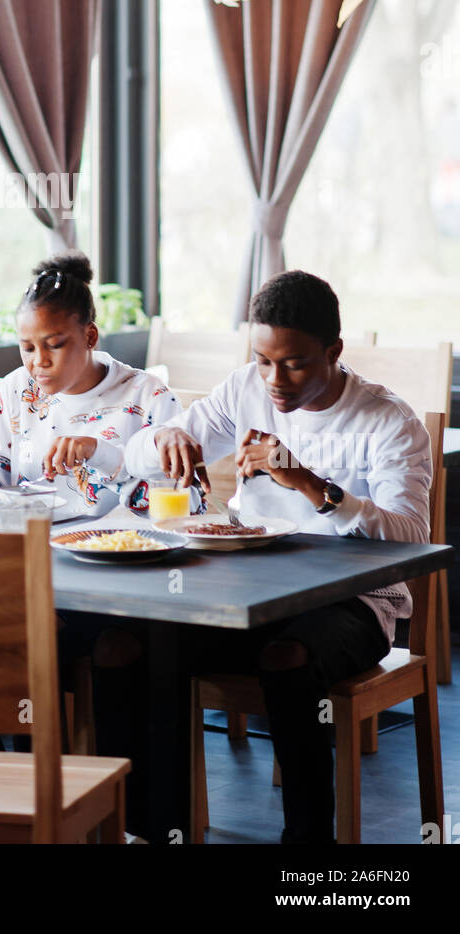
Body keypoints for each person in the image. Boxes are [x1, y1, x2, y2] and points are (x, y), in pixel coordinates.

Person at [124, 268, 432, 844]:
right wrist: (163, 438)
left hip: (356, 602)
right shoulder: (245, 387)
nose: (274, 379)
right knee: (137, 642)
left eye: (293, 363)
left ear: (334, 351)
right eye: (264, 359)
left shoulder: (389, 421)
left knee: (287, 658)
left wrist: (312, 485)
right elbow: (139, 453)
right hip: (248, 590)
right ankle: (150, 828)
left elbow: (411, 539)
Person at [0, 252, 181, 517]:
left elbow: (185, 506)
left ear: (90, 336)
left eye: (55, 345)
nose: (39, 361)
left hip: (120, 550)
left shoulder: (149, 397)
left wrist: (100, 453)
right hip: (30, 546)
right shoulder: (17, 390)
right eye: (27, 348)